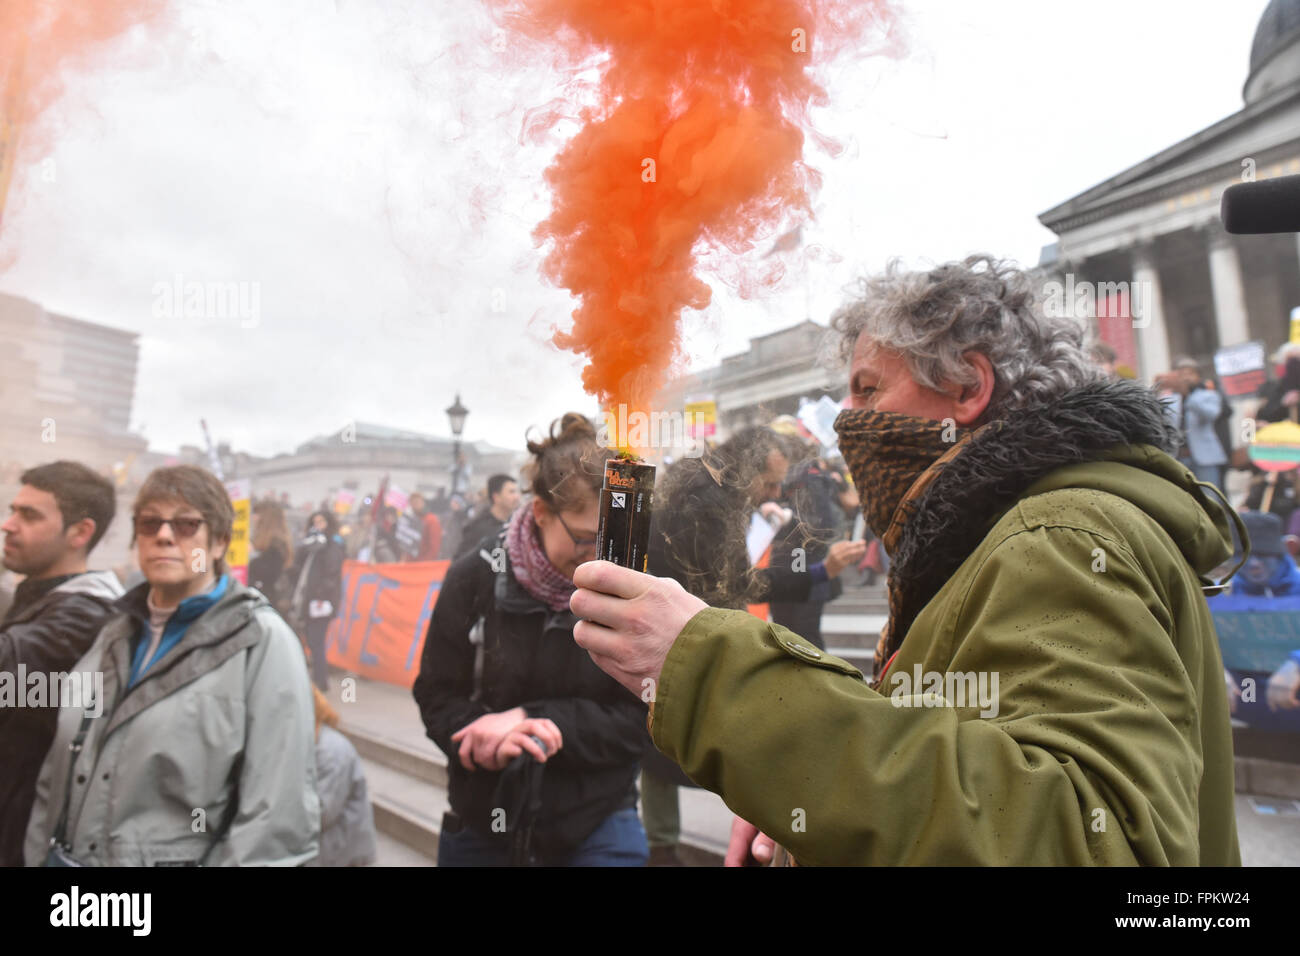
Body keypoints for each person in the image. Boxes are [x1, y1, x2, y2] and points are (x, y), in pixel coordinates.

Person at [569, 254, 1243, 866]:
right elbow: (969, 765)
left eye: (867, 390)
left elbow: (1090, 844)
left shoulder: (1059, 535)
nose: (847, 421)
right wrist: (813, 796)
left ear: (967, 388)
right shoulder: (1001, 533)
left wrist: (713, 669)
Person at [25, 464, 320, 865]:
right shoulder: (114, 632)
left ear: (218, 544)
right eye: (149, 524)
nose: (163, 535)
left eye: (185, 525)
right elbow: (54, 779)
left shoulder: (261, 642)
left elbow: (274, 826)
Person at [413, 413, 650, 866]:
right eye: (583, 539)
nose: (597, 558)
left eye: (608, 540)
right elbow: (435, 694)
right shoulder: (473, 577)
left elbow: (643, 720)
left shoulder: (631, 583)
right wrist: (485, 740)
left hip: (599, 813)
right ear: (541, 512)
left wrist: (539, 720)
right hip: (485, 811)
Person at [0, 462, 123, 868]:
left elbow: (9, 677)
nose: (9, 525)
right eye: (13, 510)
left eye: (29, 516)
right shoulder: (37, 597)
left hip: (21, 842)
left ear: (80, 532)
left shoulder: (85, 615)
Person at [308, 685, 377, 867]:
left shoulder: (331, 750)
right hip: (331, 850)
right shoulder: (312, 742)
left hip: (343, 852)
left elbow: (323, 812)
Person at [289, 510, 346, 692]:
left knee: (316, 641)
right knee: (310, 640)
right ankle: (316, 679)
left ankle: (320, 681)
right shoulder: (309, 546)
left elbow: (332, 572)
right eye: (314, 522)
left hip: (321, 602)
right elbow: (297, 569)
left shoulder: (332, 546)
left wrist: (321, 595)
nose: (317, 525)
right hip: (306, 600)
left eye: (321, 521)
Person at [1156, 357, 1230, 491]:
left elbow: (1211, 414)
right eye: (1181, 374)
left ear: (1198, 376)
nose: (1185, 378)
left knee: (1209, 497)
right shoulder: (1170, 398)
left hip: (1204, 458)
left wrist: (1187, 395)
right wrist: (1156, 388)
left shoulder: (1208, 395)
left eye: (1190, 373)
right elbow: (1160, 418)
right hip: (1177, 457)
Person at [455, 474, 520, 561]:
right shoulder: (477, 528)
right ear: (496, 497)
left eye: (517, 492)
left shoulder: (518, 525)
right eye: (511, 492)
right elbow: (460, 564)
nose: (517, 497)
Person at [249, 499, 294, 616]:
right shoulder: (261, 540)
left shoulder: (277, 543)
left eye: (256, 513)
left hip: (266, 602)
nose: (253, 517)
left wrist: (251, 556)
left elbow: (269, 573)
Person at [408, 493, 443, 562]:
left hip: (424, 564)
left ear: (423, 502)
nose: (415, 505)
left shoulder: (431, 520)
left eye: (417, 502)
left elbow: (434, 547)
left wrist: (425, 562)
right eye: (413, 503)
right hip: (411, 563)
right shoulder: (411, 520)